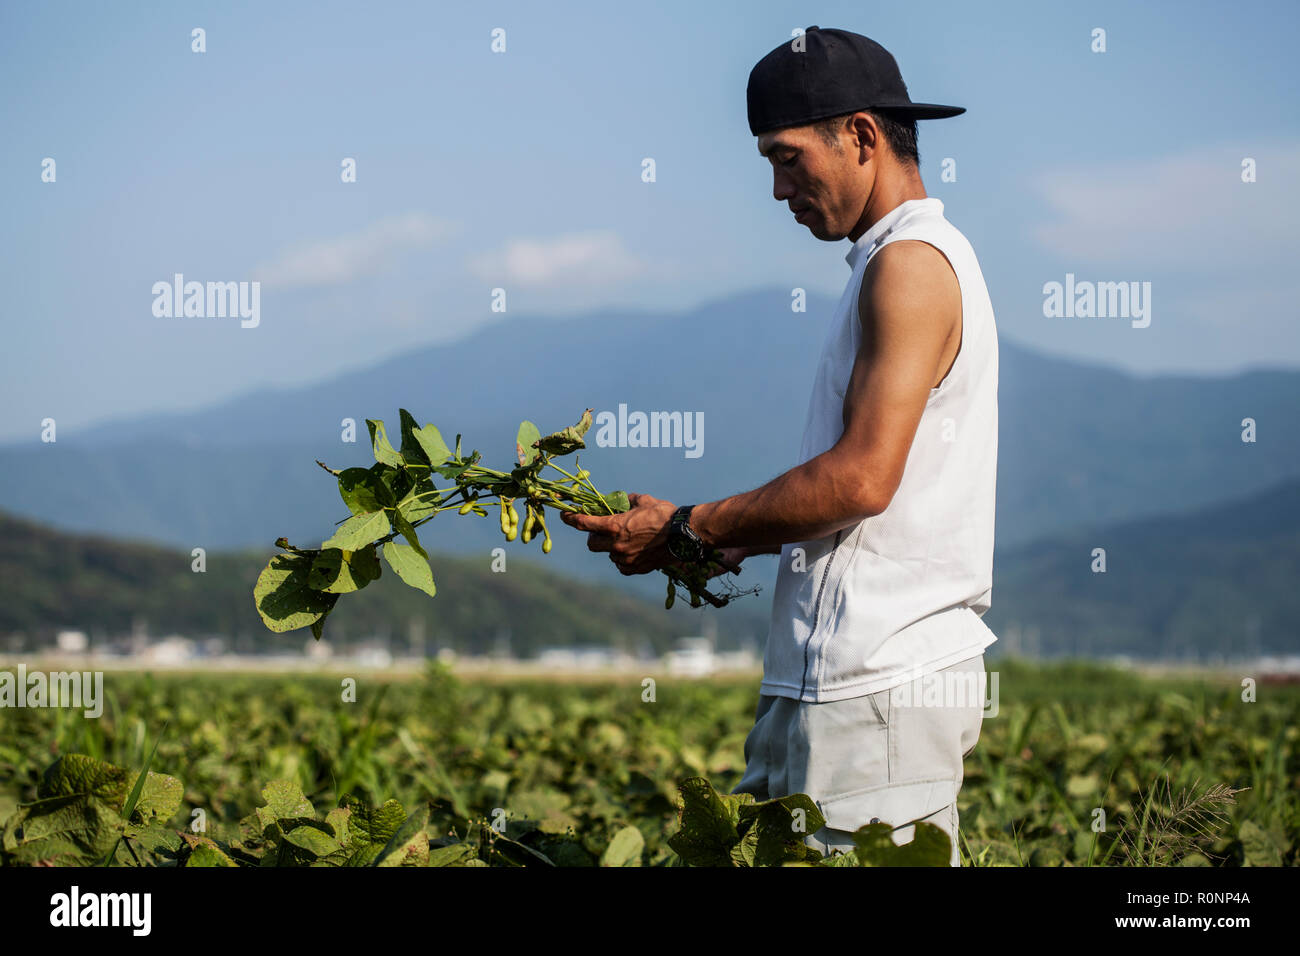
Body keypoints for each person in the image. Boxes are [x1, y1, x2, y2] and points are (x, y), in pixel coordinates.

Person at [560, 26, 998, 866]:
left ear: (862, 136)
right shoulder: (889, 264)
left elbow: (861, 480)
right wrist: (694, 531)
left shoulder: (910, 265)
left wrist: (696, 526)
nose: (776, 188)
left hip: (878, 687)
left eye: (787, 157)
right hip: (836, 682)